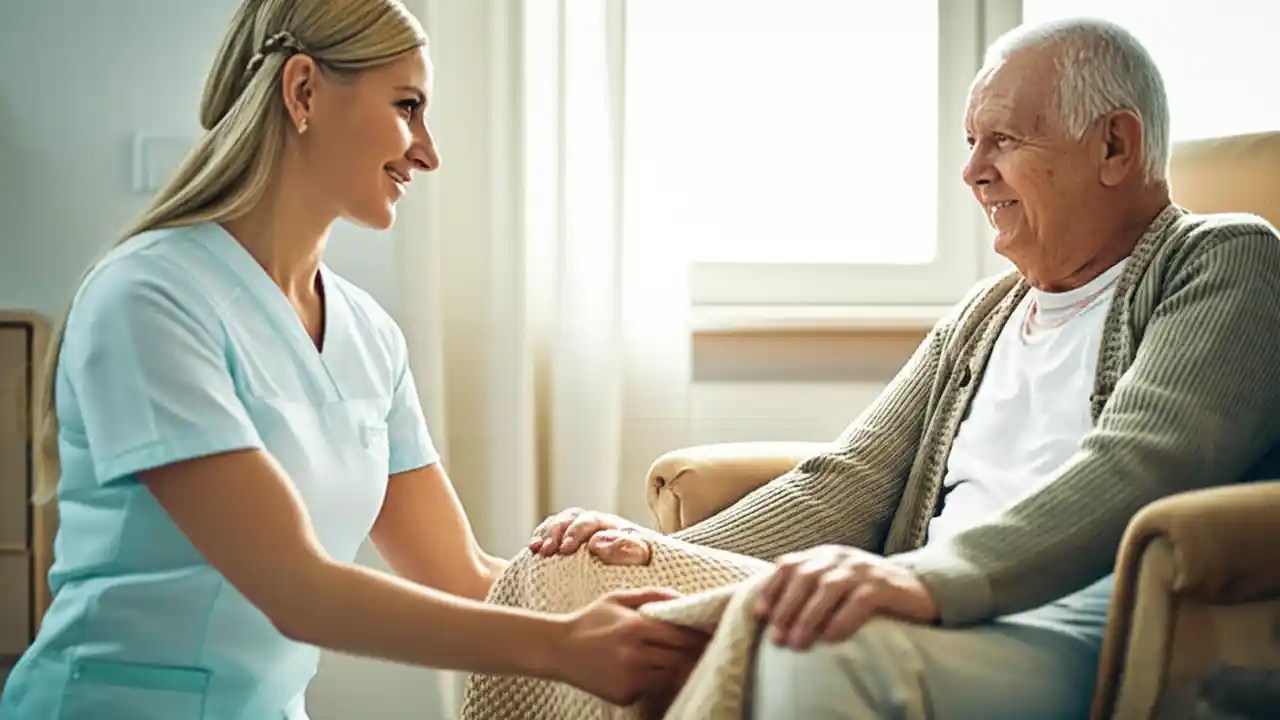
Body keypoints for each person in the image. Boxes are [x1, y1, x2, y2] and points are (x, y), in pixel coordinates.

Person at [529, 17, 1280, 719]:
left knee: (808, 641)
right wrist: (664, 555)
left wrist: (922, 578)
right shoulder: (985, 313)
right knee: (569, 586)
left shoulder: (1226, 260)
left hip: (1071, 630)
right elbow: (852, 476)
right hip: (939, 613)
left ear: (1115, 146)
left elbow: (1140, 465)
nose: (973, 172)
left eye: (1004, 140)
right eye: (970, 142)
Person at [0, 1, 705, 718]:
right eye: (407, 107)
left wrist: (598, 586)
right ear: (303, 91)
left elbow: (462, 577)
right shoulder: (146, 300)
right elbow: (296, 589)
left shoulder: (369, 336)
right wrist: (563, 647)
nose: (427, 151)